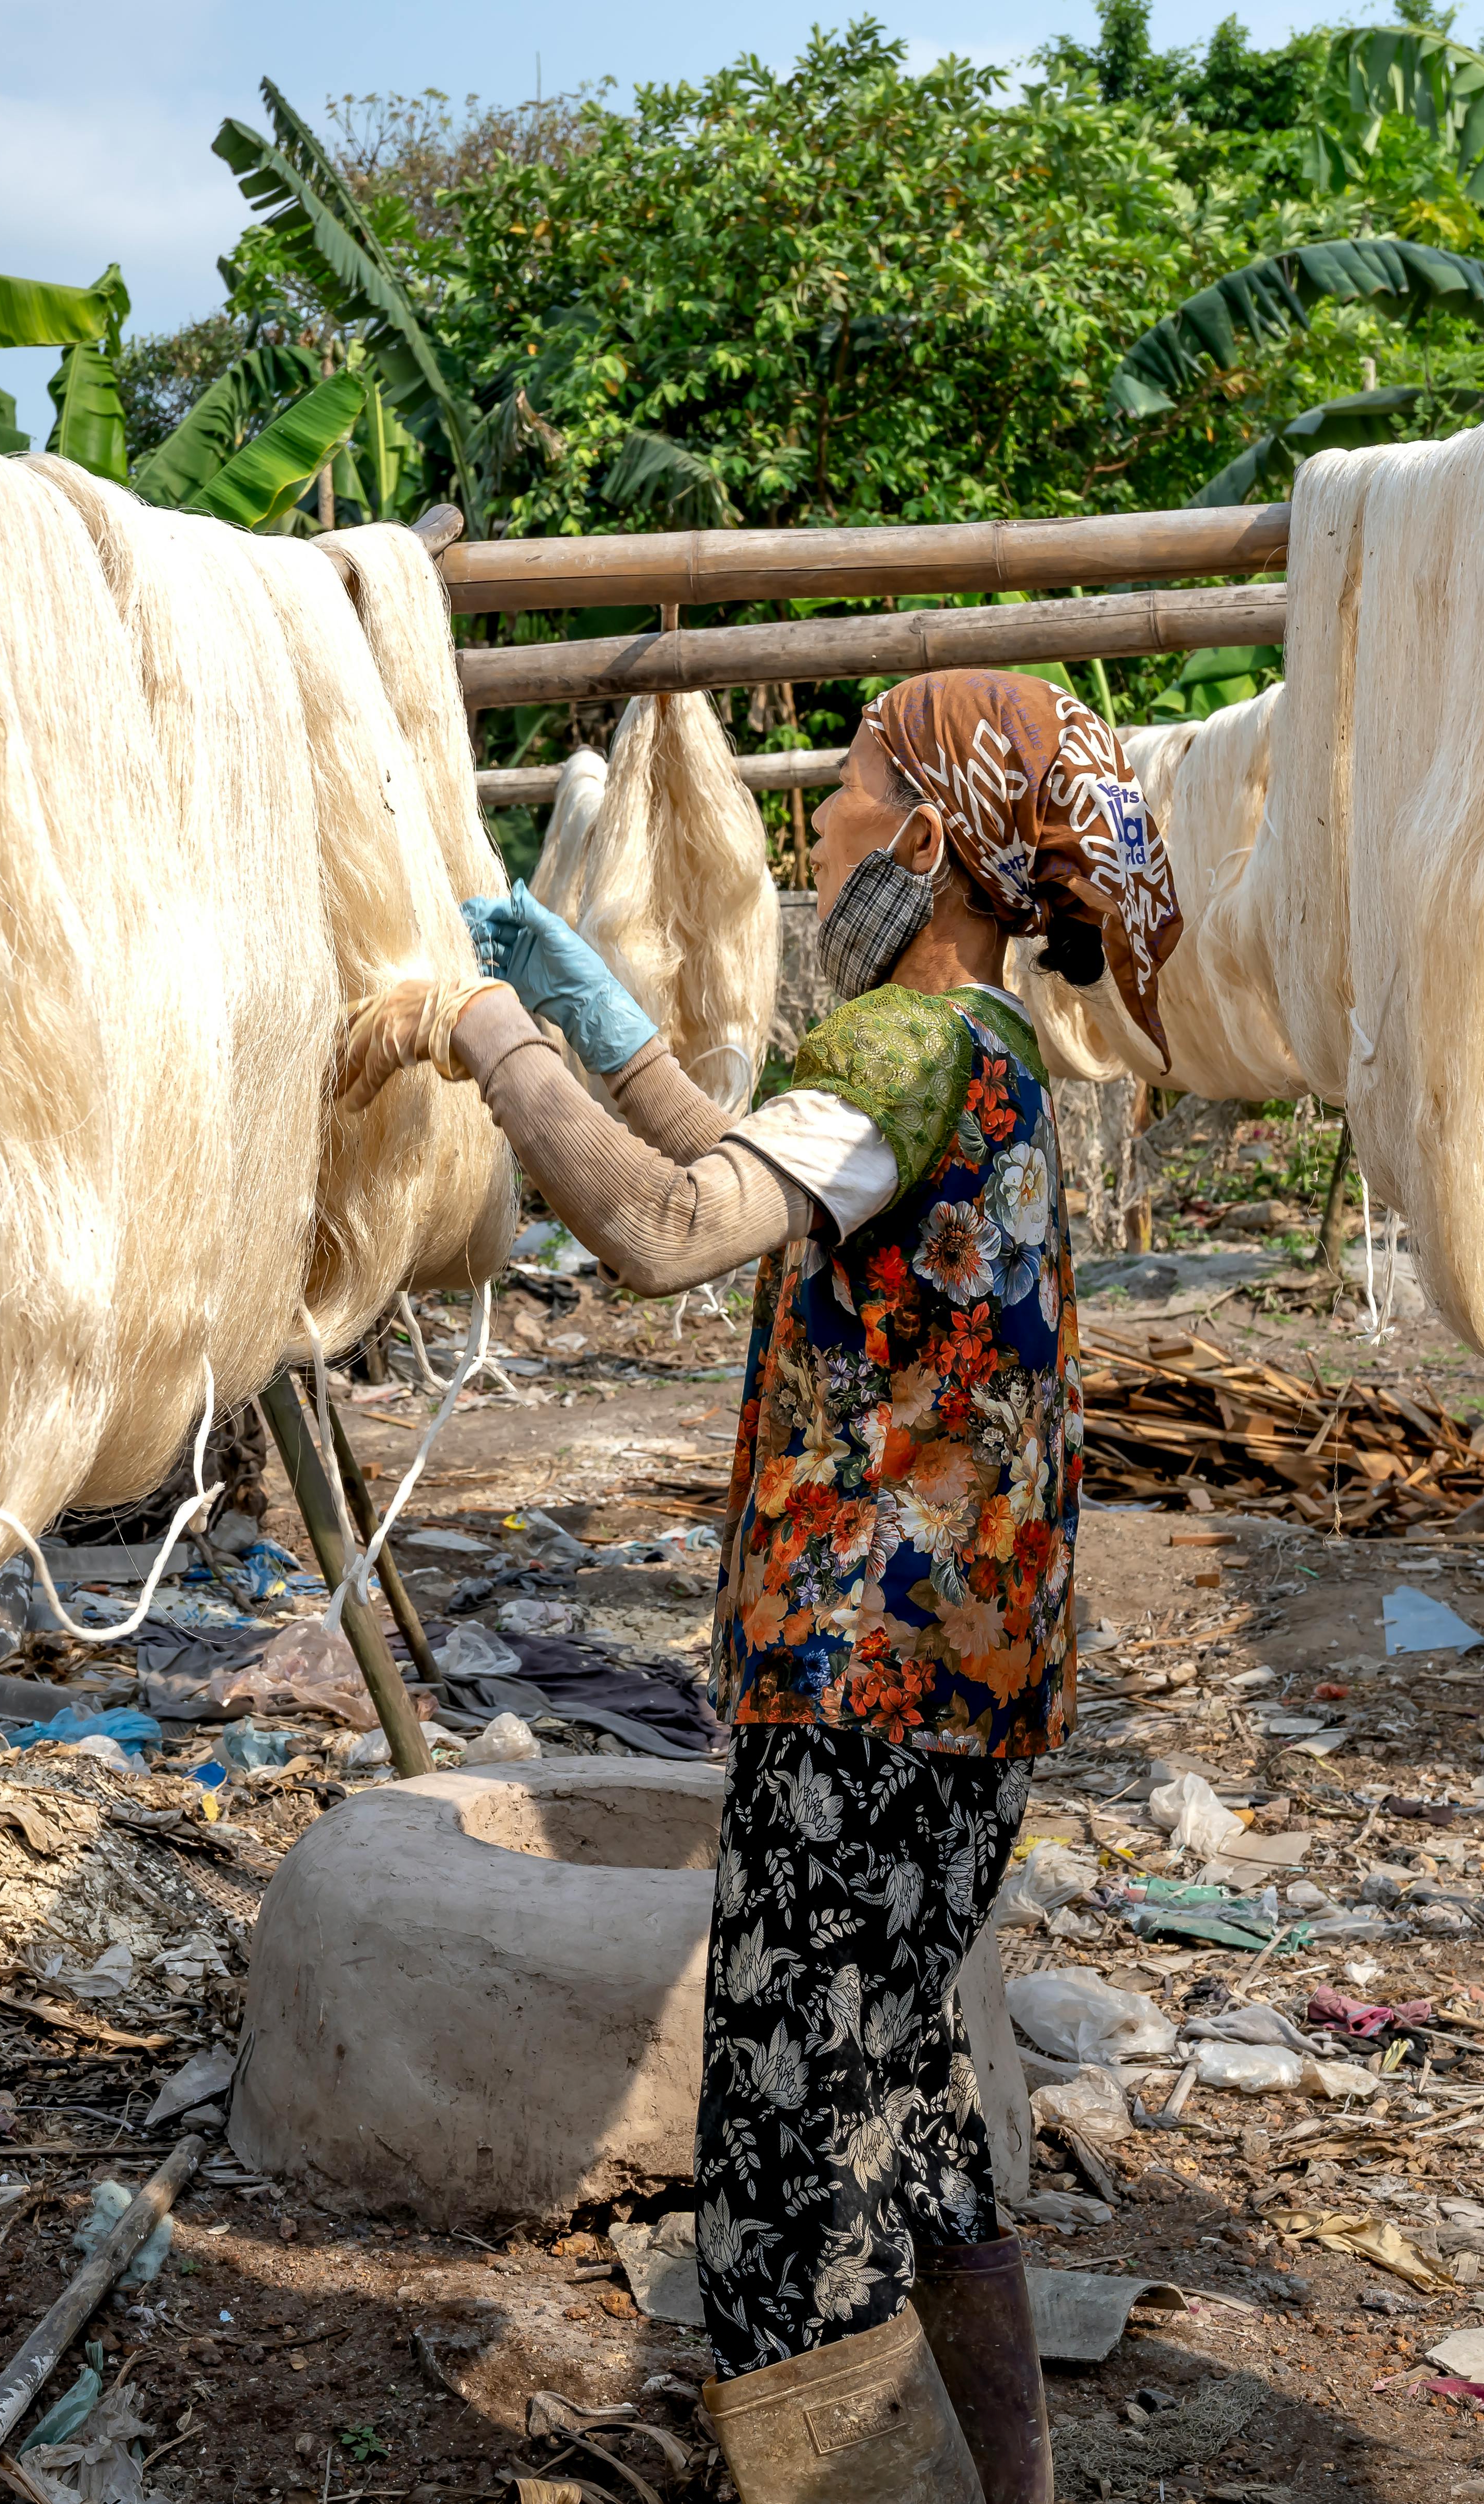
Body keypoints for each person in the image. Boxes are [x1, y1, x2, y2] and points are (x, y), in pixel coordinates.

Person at [422, 670, 1181, 2504]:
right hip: (971, 1694)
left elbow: (668, 1233)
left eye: (840, 796)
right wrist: (588, 1023)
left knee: (785, 2178)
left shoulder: (909, 1056)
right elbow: (737, 1161)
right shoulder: (980, 1058)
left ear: (923, 845)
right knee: (907, 2118)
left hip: (870, 1695)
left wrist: (483, 1039)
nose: (811, 832)